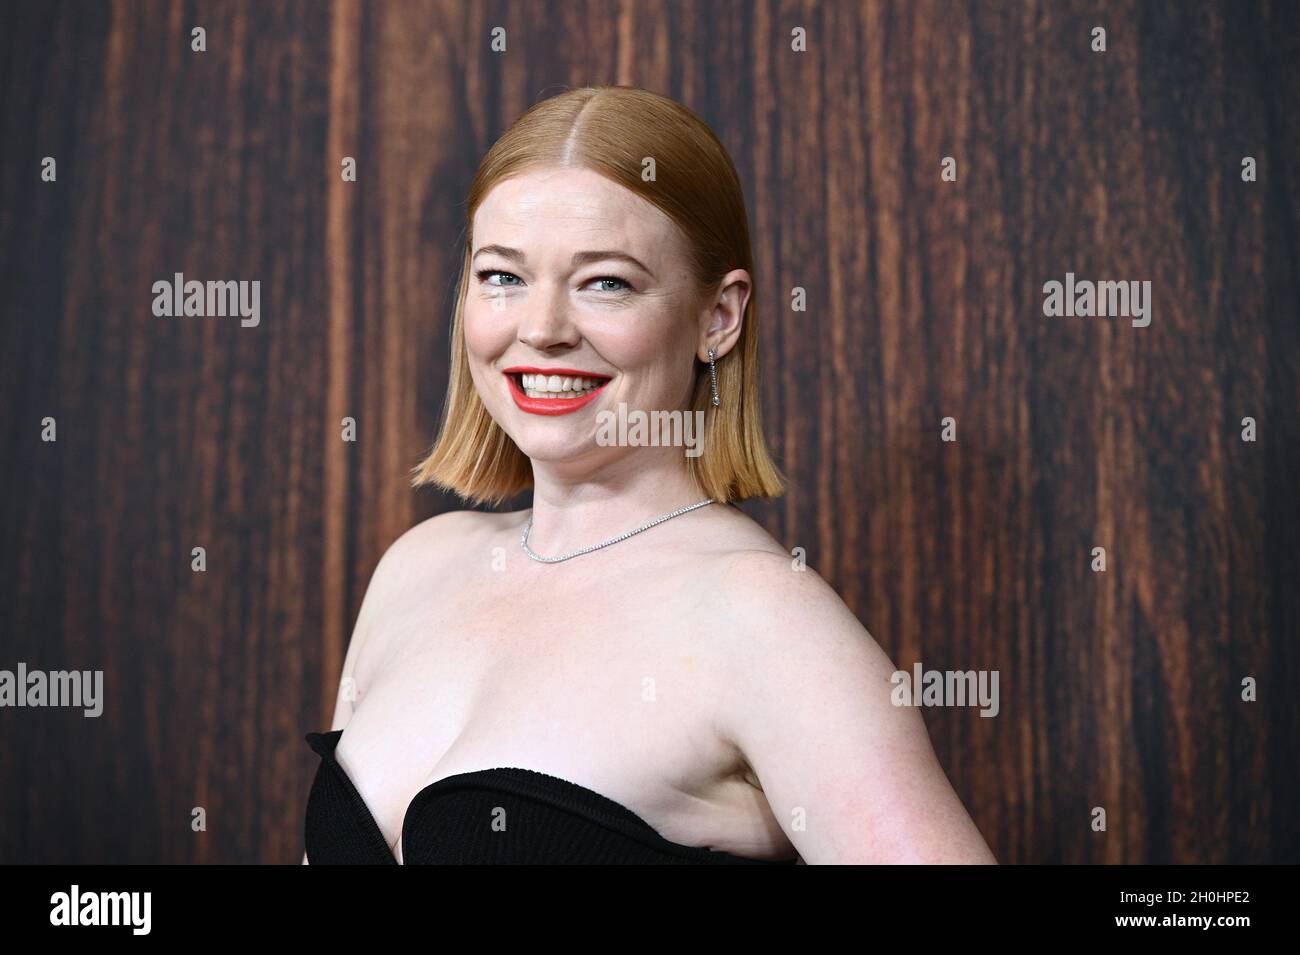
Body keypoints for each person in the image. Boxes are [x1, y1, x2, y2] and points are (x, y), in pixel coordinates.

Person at [303, 84, 997, 864]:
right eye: (503, 276)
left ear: (717, 317)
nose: (541, 328)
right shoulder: (417, 567)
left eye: (607, 282)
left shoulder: (765, 618)